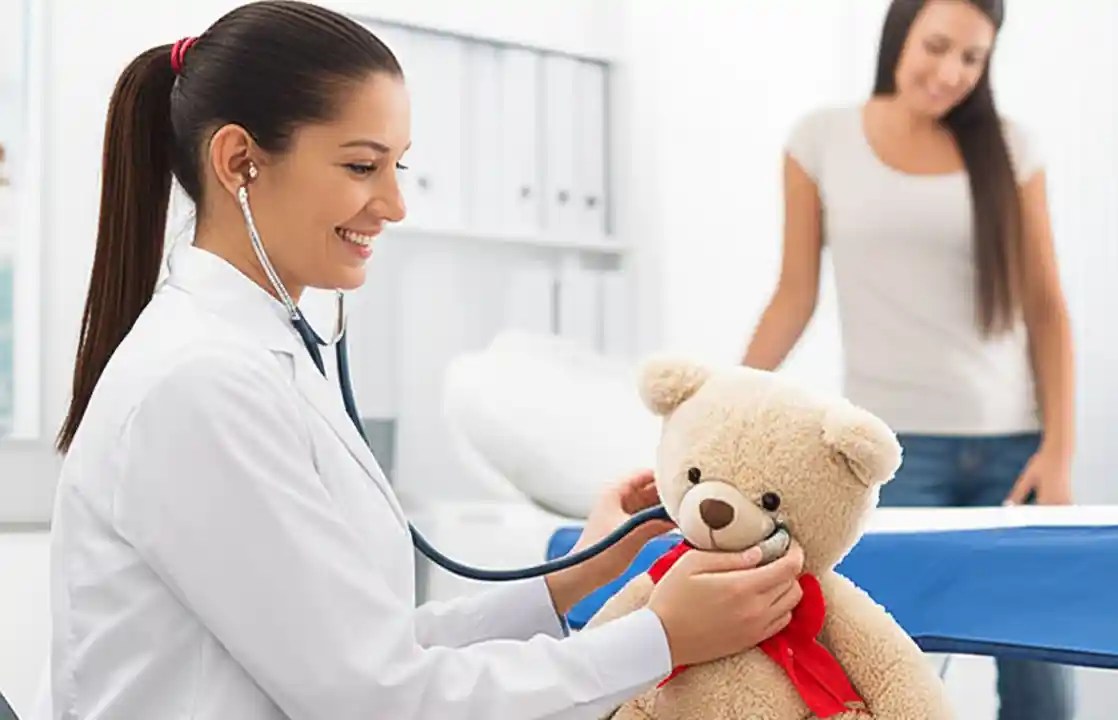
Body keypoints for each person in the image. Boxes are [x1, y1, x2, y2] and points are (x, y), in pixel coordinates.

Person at [44, 2, 806, 719]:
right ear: (240, 161)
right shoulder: (199, 384)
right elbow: (375, 698)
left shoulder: (249, 356)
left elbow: (372, 652)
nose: (394, 205)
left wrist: (580, 572)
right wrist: (659, 640)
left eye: (397, 167)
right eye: (360, 166)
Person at [741, 1, 1076, 719]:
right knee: (890, 679)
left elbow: (1047, 309)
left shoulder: (1013, 148)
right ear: (899, 33)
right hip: (892, 457)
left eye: (972, 58)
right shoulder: (821, 140)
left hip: (1012, 454)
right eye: (938, 46)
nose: (951, 71)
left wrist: (1059, 450)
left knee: (1041, 680)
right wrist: (727, 402)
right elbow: (793, 297)